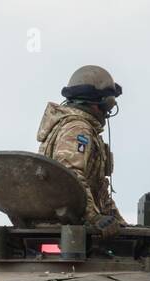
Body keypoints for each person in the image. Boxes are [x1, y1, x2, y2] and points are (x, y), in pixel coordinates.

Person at [36, 65, 127, 234]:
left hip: (73, 223)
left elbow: (99, 190)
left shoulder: (79, 127)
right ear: (100, 104)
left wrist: (120, 224)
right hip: (66, 226)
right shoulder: (78, 129)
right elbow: (69, 177)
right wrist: (94, 218)